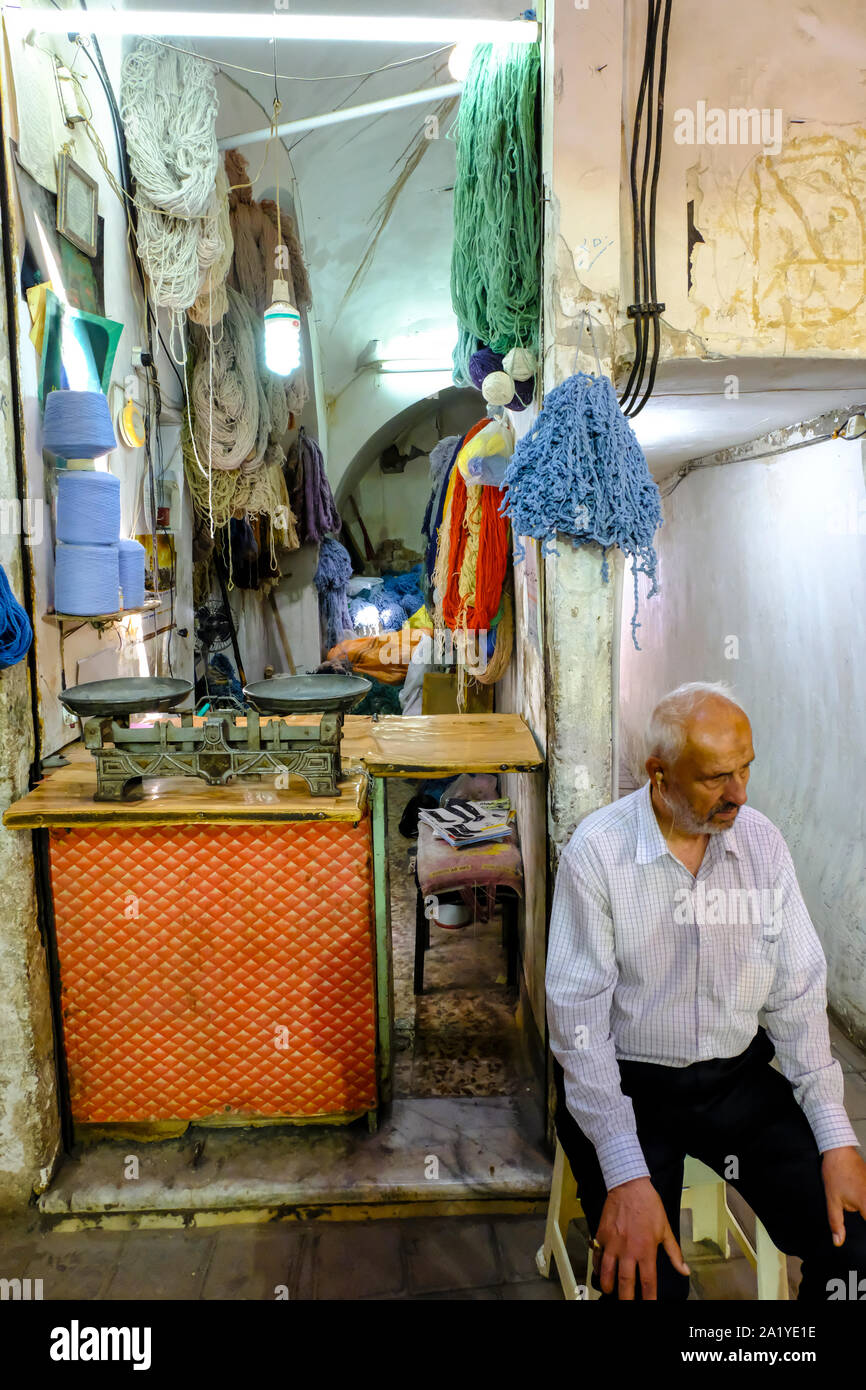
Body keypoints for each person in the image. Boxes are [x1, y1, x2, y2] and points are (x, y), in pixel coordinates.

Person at [546, 681, 866, 1301]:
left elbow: (797, 994)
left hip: (735, 1084)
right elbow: (579, 1031)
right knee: (645, 1283)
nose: (740, 796)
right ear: (659, 775)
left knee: (855, 1250)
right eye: (717, 778)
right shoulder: (599, 853)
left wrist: (837, 1138)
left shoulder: (761, 844)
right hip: (628, 1087)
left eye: (746, 770)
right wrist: (625, 1173)